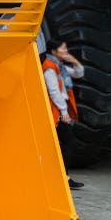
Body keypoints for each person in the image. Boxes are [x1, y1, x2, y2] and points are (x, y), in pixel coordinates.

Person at [42, 39, 85, 189]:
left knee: (64, 143)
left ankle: (61, 175)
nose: (66, 51)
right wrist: (64, 112)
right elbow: (54, 92)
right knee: (69, 142)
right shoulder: (49, 68)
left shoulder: (60, 67)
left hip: (59, 110)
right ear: (54, 51)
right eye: (63, 49)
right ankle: (63, 176)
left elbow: (78, 73)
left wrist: (74, 61)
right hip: (56, 111)